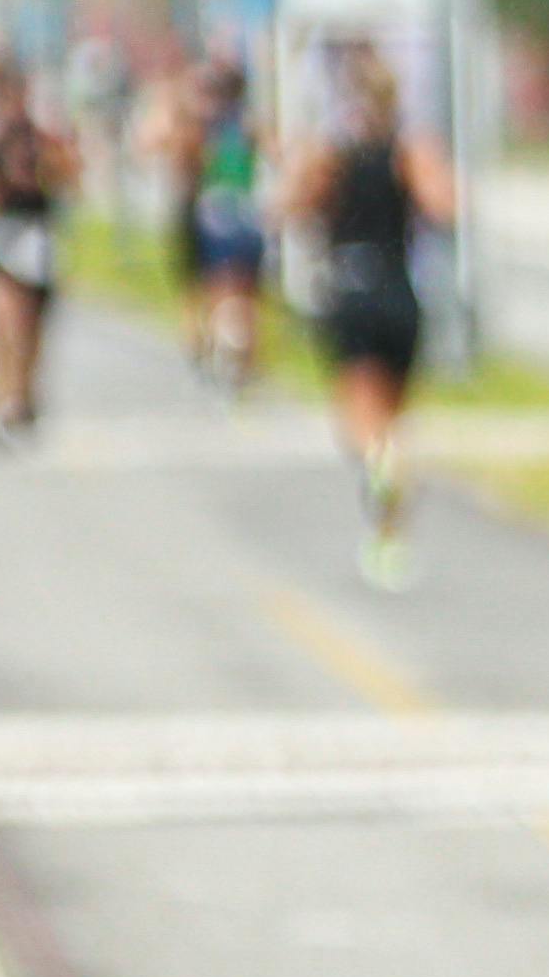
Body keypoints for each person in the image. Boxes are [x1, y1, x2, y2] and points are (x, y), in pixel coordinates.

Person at [279, 50, 453, 588]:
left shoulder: (330, 151)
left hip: (351, 286)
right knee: (396, 421)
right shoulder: (412, 148)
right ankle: (390, 537)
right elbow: (444, 207)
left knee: (359, 416)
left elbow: (291, 206)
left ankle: (377, 466)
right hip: (401, 286)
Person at [0, 88, 80, 446]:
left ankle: (20, 396)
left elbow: (69, 180)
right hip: (1, 238)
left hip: (35, 240)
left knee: (27, 327)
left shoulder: (43, 146)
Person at [169, 58, 270, 396]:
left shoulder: (203, 125)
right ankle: (239, 354)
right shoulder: (249, 125)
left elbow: (184, 163)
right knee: (244, 290)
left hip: (215, 214)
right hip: (247, 214)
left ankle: (223, 348)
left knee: (218, 288)